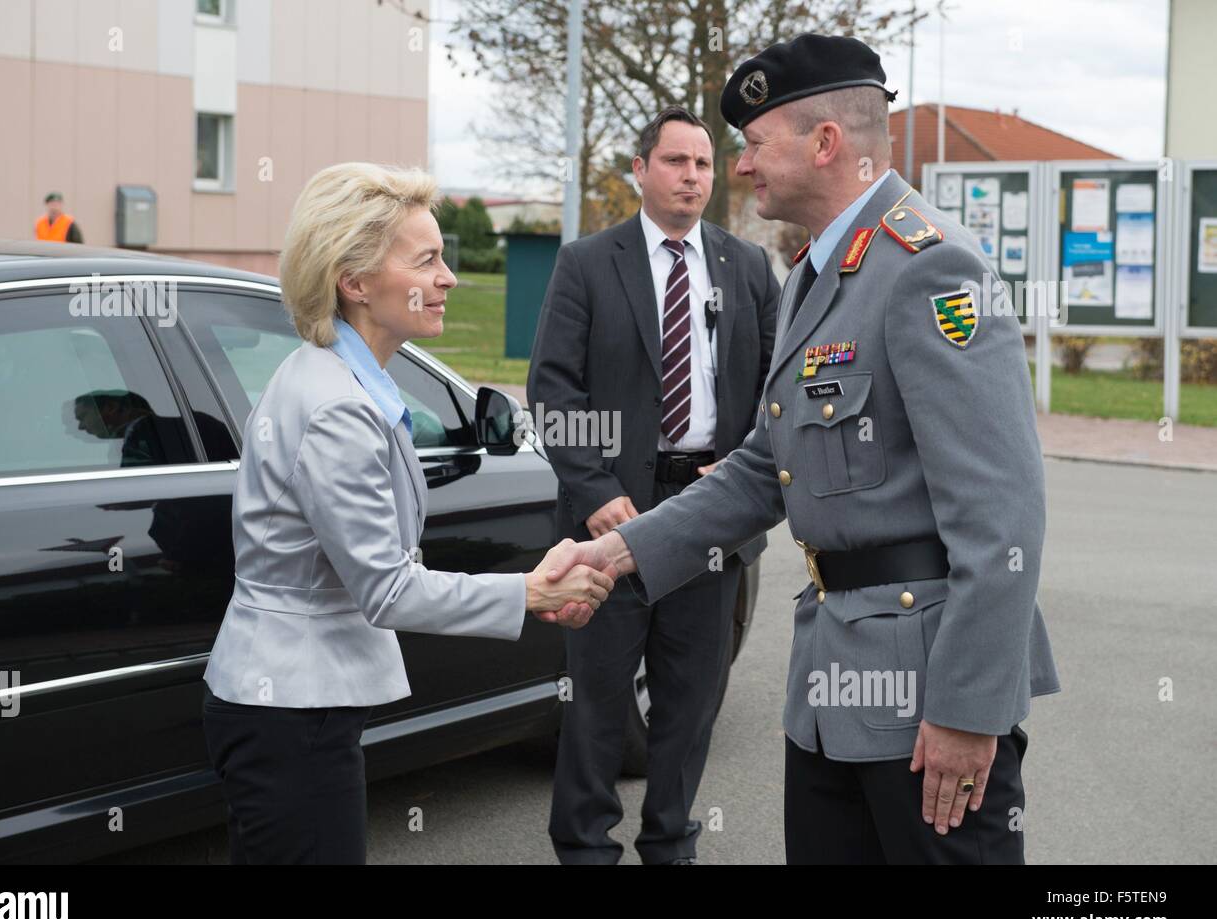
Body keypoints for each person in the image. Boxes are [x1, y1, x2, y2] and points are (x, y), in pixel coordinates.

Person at [544, 33, 1059, 864]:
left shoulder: (928, 269)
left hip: (928, 702)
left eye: (753, 144)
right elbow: (761, 467)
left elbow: (1003, 517)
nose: (740, 166)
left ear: (825, 143)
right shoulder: (820, 274)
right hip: (830, 685)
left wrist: (969, 708)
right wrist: (613, 552)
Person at [200, 162, 614, 865]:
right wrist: (530, 591)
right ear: (354, 282)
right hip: (292, 713)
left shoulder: (336, 377)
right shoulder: (337, 405)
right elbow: (387, 588)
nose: (448, 278)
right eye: (426, 260)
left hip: (293, 708)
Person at [528, 106, 780, 865]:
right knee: (598, 704)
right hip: (613, 517)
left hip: (710, 516)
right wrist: (593, 488)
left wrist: (738, 466)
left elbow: (778, 388)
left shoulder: (746, 266)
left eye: (703, 164)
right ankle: (584, 848)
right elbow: (553, 389)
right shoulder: (587, 263)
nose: (691, 177)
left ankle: (670, 844)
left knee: (691, 704)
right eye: (675, 161)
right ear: (640, 170)